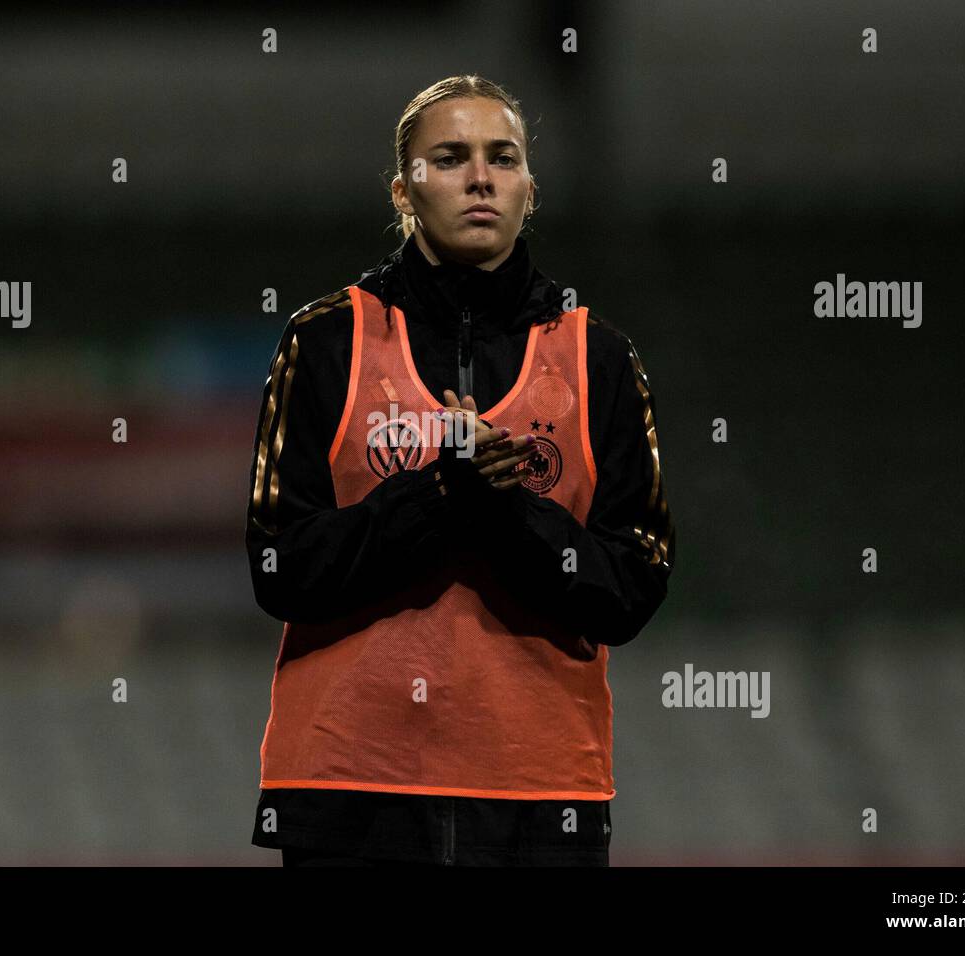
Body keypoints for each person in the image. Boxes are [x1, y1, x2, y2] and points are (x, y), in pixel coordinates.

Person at [246, 75, 674, 866]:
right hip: (351, 788)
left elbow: (632, 588)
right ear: (404, 187)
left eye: (502, 157)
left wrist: (505, 507)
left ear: (529, 188)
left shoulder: (600, 360)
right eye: (450, 157)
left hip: (542, 797)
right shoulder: (325, 343)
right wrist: (441, 493)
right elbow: (279, 567)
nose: (481, 176)